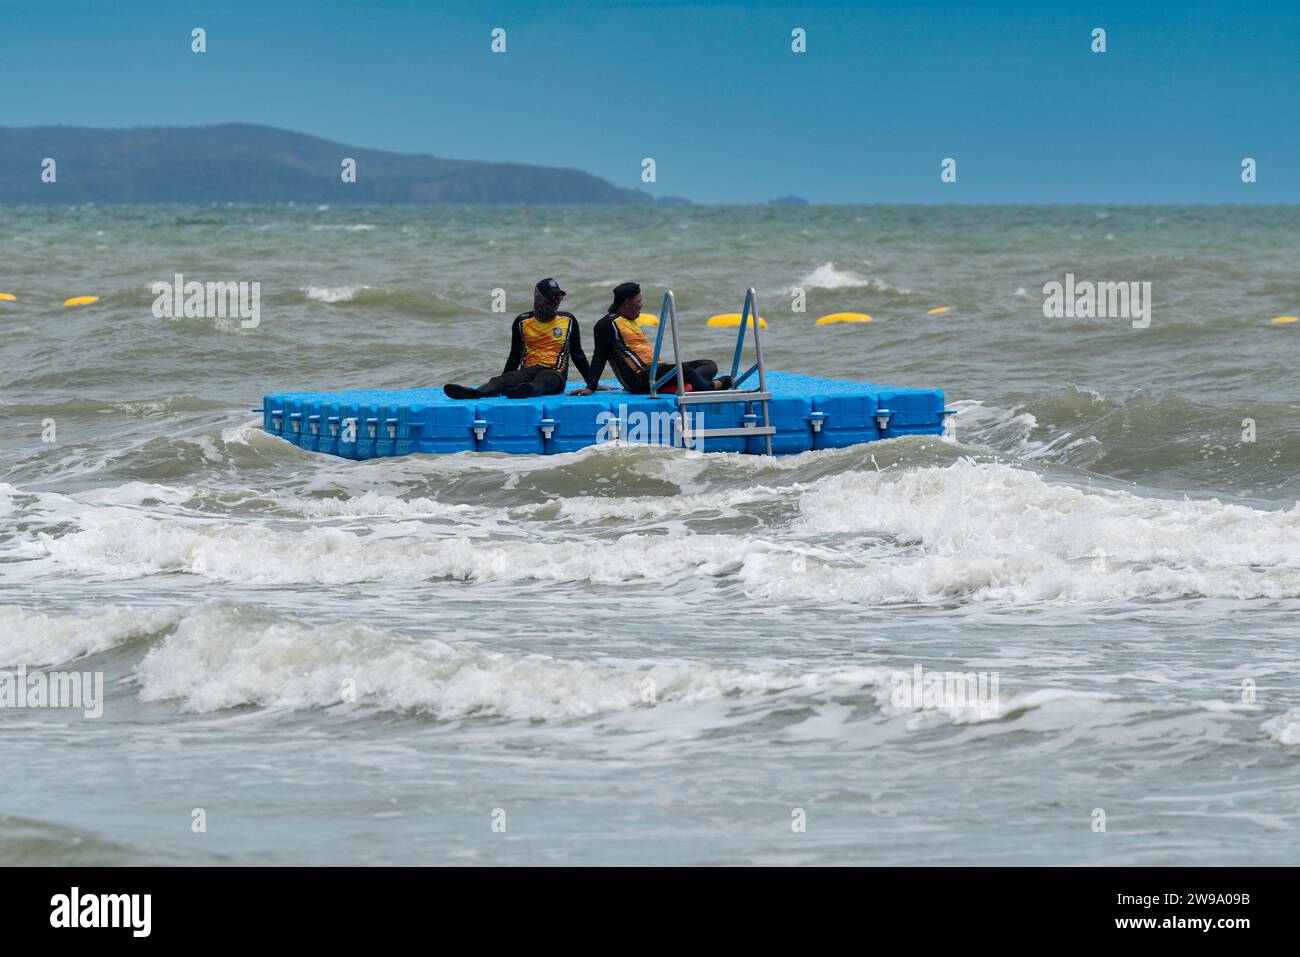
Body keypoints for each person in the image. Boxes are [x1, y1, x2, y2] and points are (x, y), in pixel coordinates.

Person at [570, 283, 733, 396]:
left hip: (655, 370)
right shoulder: (607, 324)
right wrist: (591, 386)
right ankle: (711, 386)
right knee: (683, 370)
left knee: (708, 365)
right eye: (638, 301)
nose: (642, 305)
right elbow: (600, 356)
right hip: (639, 379)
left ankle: (683, 386)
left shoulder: (630, 320)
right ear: (626, 303)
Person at [444, 278, 593, 400]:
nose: (556, 299)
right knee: (501, 381)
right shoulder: (522, 322)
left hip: (555, 372)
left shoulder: (568, 320)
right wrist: (506, 378)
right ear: (539, 298)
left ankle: (527, 391)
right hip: (527, 371)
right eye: (552, 296)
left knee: (543, 381)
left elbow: (577, 354)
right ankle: (475, 393)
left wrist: (591, 383)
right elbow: (514, 355)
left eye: (559, 295)